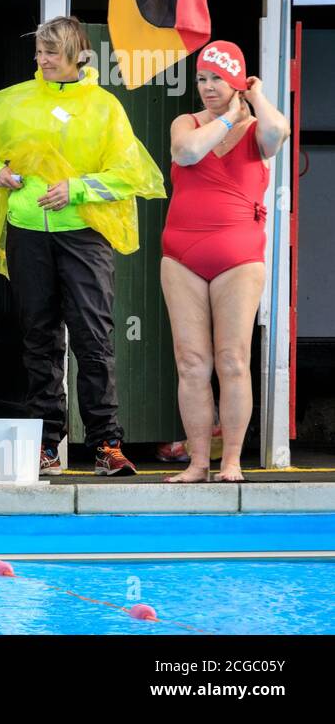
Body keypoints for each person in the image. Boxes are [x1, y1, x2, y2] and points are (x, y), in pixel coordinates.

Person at [0, 16, 165, 476]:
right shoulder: (16, 100)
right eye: (39, 52)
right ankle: (47, 444)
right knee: (39, 338)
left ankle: (107, 443)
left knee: (92, 337)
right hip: (27, 231)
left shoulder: (104, 107)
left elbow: (129, 175)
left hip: (84, 234)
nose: (41, 60)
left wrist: (76, 189)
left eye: (50, 52)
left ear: (76, 56)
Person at [161, 40, 290, 483]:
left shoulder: (257, 129)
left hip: (238, 252)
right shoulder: (187, 123)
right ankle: (198, 462)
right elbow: (187, 153)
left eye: (218, 78)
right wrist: (228, 116)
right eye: (202, 78)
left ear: (237, 81)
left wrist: (255, 99)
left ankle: (231, 460)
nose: (208, 86)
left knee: (232, 359)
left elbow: (279, 132)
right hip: (181, 253)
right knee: (191, 362)